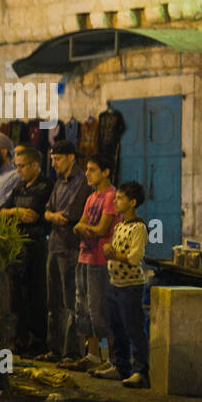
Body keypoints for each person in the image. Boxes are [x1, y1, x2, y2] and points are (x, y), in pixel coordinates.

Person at [60, 156, 117, 373]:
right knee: (82, 308)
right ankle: (93, 355)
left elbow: (102, 229)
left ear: (106, 172)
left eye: (93, 170)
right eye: (87, 170)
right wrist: (85, 229)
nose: (87, 174)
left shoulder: (111, 196)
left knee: (100, 309)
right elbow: (79, 225)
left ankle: (113, 359)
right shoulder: (91, 197)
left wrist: (85, 229)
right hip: (83, 258)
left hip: (99, 262)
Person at [39, 140, 90, 363]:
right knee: (53, 303)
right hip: (54, 247)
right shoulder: (59, 182)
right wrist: (52, 216)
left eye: (57, 158)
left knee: (71, 303)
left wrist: (54, 216)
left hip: (70, 248)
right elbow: (48, 211)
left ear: (70, 157)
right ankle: (55, 349)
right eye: (52, 158)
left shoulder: (82, 181)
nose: (53, 163)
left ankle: (71, 352)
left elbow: (69, 215)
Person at [2, 145, 52, 356]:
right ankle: (20, 342)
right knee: (16, 297)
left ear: (34, 165)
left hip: (37, 247)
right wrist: (17, 211)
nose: (19, 171)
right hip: (17, 248)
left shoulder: (47, 186)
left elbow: (36, 216)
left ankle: (38, 343)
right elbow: (3, 212)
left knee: (36, 295)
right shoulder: (19, 188)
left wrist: (23, 214)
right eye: (16, 166)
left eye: (22, 166)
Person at [100, 181, 150, 389]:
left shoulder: (138, 227)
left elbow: (134, 257)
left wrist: (113, 254)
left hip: (130, 286)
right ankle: (120, 365)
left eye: (120, 198)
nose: (116, 201)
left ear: (133, 202)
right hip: (115, 284)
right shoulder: (119, 225)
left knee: (134, 329)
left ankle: (141, 371)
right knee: (117, 327)